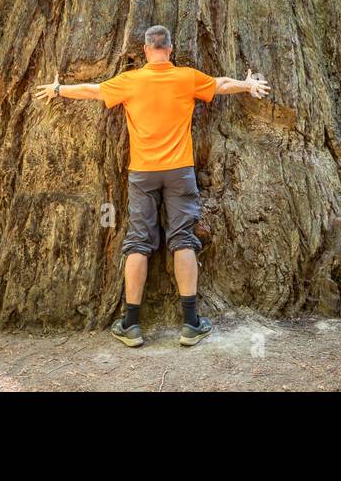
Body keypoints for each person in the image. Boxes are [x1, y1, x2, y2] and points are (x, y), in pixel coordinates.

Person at [35, 25, 269, 347]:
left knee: (138, 242)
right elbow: (222, 84)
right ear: (170, 50)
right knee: (183, 239)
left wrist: (60, 89)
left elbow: (93, 91)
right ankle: (191, 324)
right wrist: (247, 85)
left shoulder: (130, 81)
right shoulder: (186, 77)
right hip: (179, 171)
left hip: (142, 172)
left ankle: (131, 325)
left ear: (146, 51)